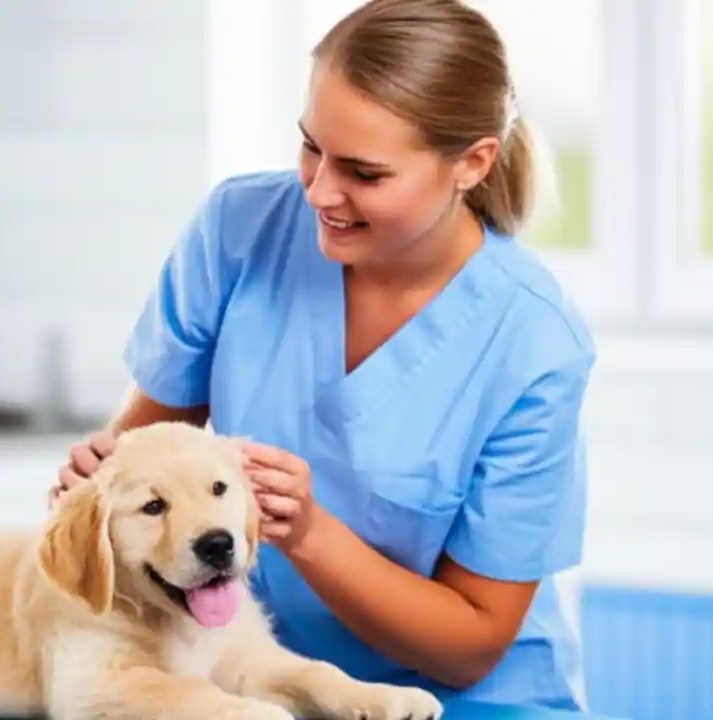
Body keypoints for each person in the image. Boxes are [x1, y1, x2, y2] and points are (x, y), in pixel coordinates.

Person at [49, 0, 595, 712]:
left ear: (472, 163)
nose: (319, 191)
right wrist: (102, 481)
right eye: (311, 146)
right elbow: (145, 444)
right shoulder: (239, 231)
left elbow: (470, 646)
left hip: (468, 701)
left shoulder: (533, 341)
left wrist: (309, 534)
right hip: (258, 683)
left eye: (365, 173)